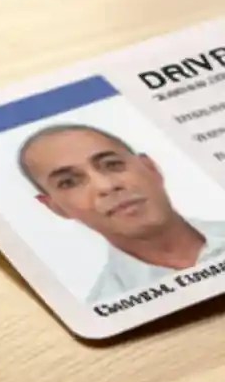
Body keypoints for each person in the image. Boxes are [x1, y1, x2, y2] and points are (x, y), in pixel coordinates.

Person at [17, 123, 225, 302]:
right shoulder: (108, 307)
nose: (106, 186)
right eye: (69, 182)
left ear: (151, 168)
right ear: (55, 207)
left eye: (112, 165)